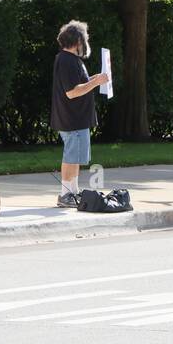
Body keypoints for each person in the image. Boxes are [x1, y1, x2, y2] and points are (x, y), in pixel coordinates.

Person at [50, 20, 109, 208]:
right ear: (77, 41)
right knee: (71, 156)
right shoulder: (66, 60)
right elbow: (72, 91)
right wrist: (95, 82)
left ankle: (72, 192)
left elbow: (79, 84)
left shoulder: (72, 60)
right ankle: (65, 194)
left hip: (77, 119)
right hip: (72, 118)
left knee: (75, 157)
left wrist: (95, 80)